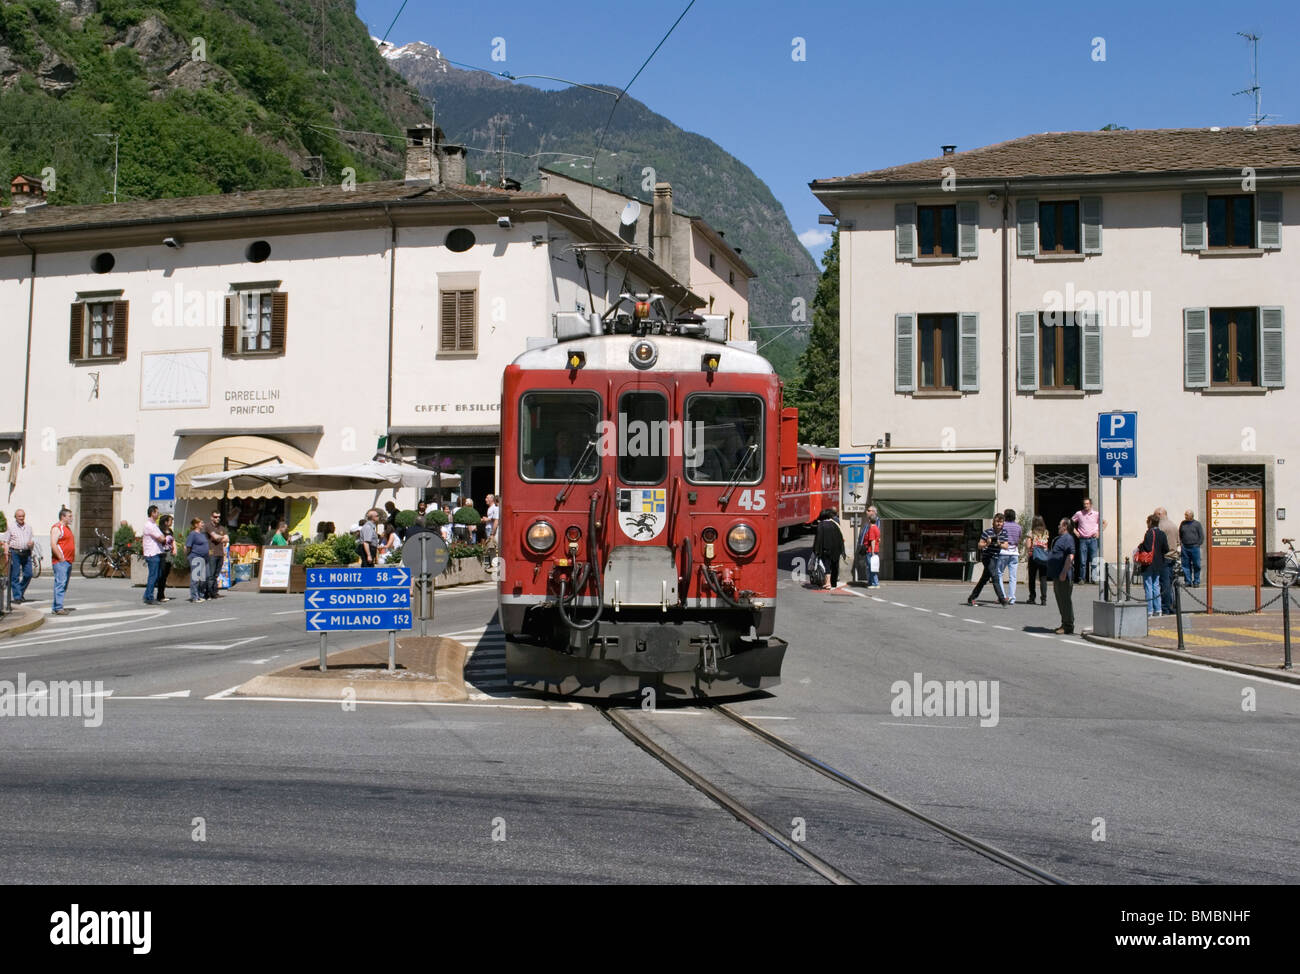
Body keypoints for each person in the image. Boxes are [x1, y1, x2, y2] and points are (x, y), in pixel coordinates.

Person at [966, 513, 1009, 606]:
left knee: (984, 579)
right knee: (995, 576)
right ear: (993, 522)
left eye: (1001, 522)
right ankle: (1002, 599)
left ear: (1003, 523)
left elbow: (1006, 546)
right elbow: (979, 545)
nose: (999, 524)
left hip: (996, 558)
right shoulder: (987, 532)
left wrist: (999, 544)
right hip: (987, 557)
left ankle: (972, 597)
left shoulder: (1004, 532)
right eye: (997, 521)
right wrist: (987, 543)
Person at [1137, 513, 1169, 618]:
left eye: (1147, 522)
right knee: (1156, 586)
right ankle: (1158, 609)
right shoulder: (1162, 534)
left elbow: (1146, 548)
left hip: (1148, 564)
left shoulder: (1149, 533)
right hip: (1159, 563)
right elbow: (1166, 549)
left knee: (1148, 586)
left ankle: (1149, 610)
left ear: (1150, 522)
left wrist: (1140, 545)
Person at [1048, 518, 1077, 634]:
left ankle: (1068, 626)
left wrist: (1064, 572)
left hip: (1063, 575)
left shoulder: (1068, 538)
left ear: (1065, 526)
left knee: (1065, 601)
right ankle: (1064, 623)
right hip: (1057, 575)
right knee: (1060, 600)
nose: (1058, 526)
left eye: (1060, 525)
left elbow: (1071, 555)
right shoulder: (1061, 538)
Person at [1070, 498, 1106, 584]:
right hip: (1083, 540)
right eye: (1084, 504)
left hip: (1093, 539)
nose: (1085, 505)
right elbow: (1070, 522)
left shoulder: (1096, 514)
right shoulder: (1079, 514)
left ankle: (1094, 579)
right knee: (1082, 561)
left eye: (1087, 504)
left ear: (1091, 504)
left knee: (1094, 560)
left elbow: (1104, 523)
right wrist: (1075, 532)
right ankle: (1082, 579)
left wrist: (1099, 533)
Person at [4, 508, 35, 604]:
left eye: (23, 516)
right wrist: (6, 554)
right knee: (15, 576)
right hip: (15, 552)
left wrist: (31, 544)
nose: (21, 518)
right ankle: (17, 597)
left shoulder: (28, 527)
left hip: (26, 553)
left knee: (29, 574)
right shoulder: (11, 527)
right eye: (19, 516)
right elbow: (6, 541)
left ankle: (20, 592)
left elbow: (32, 539)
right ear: (16, 517)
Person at [50, 508, 76, 615]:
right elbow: (53, 544)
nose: (71, 518)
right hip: (61, 561)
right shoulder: (57, 528)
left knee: (62, 584)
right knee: (60, 584)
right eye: (69, 516)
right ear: (63, 517)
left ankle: (56, 606)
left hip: (68, 561)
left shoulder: (67, 528)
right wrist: (60, 557)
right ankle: (59, 608)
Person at [812, 509, 845, 590]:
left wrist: (816, 550)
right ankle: (833, 583)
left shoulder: (821, 525)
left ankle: (827, 583)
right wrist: (841, 550)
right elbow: (840, 537)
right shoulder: (835, 524)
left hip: (825, 549)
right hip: (836, 549)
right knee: (834, 565)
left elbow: (818, 539)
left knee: (827, 565)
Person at [1155, 507, 1179, 614]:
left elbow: (1157, 543)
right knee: (1170, 583)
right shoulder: (1173, 525)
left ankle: (1165, 607)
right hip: (1173, 557)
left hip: (1164, 557)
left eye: (1155, 514)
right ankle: (1171, 605)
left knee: (1164, 584)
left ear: (1160, 514)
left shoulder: (1160, 526)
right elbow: (1178, 542)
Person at [142, 505, 166, 606]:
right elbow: (161, 538)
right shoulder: (149, 525)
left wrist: (163, 537)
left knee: (157, 575)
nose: (158, 514)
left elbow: (162, 536)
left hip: (157, 552)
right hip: (152, 553)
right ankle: (149, 597)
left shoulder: (154, 525)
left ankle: (147, 594)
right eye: (157, 512)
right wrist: (163, 538)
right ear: (152, 513)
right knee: (153, 576)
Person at [1025, 515, 1050, 605]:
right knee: (1043, 578)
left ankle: (1032, 597)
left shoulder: (1031, 533)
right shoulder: (1046, 532)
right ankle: (1043, 599)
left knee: (1032, 578)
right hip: (1044, 557)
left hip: (1034, 557)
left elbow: (1028, 546)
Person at [999, 508, 1022, 605]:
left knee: (999, 574)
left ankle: (1003, 596)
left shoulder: (1003, 526)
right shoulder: (1018, 527)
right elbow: (1019, 539)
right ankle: (1012, 598)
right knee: (1013, 577)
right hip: (1014, 552)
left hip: (1004, 551)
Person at [205, 511, 229, 600]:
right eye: (215, 517)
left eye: (219, 517)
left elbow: (227, 539)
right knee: (211, 574)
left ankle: (214, 592)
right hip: (212, 552)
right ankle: (208, 593)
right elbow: (216, 537)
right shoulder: (208, 526)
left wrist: (219, 538)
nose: (217, 518)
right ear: (211, 517)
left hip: (220, 553)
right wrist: (221, 537)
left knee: (216, 574)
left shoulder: (222, 527)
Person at [185, 518, 209, 603]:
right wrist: (188, 556)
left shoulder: (202, 534)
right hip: (196, 557)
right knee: (195, 577)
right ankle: (194, 596)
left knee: (204, 577)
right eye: (201, 522)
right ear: (196, 524)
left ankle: (201, 594)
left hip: (204, 558)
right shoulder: (193, 534)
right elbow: (188, 546)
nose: (203, 524)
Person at [1179, 509, 1204, 587]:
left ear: (1191, 515)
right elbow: (1180, 533)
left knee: (1197, 565)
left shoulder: (1197, 524)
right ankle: (1188, 581)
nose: (1185, 516)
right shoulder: (1183, 523)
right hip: (1185, 547)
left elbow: (1201, 536)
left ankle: (1196, 581)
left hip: (1194, 547)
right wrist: (1181, 543)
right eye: (1185, 514)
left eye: (1186, 515)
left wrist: (1198, 544)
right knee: (1185, 565)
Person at [154, 514, 175, 603]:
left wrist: (174, 549)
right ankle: (160, 595)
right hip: (162, 553)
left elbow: (173, 540)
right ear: (166, 522)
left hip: (169, 554)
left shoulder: (170, 530)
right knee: (161, 574)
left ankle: (161, 594)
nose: (172, 522)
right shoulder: (159, 530)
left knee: (165, 574)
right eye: (170, 520)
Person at [858, 510, 881, 587]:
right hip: (874, 550)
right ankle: (873, 582)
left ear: (869, 520)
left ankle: (874, 583)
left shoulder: (871, 528)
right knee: (873, 567)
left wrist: (873, 551)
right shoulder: (877, 528)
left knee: (871, 568)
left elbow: (872, 540)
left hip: (871, 550)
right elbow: (878, 539)